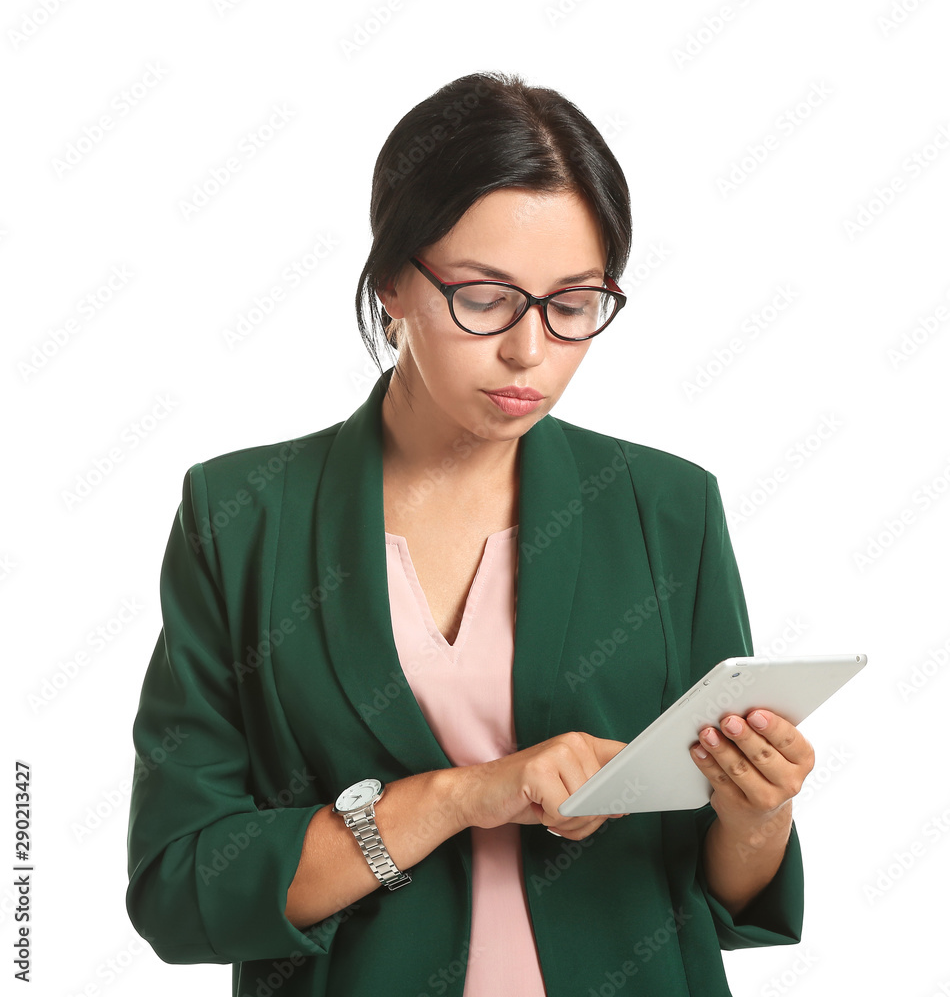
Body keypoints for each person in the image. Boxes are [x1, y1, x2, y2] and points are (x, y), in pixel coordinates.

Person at [125, 71, 814, 997]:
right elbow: (181, 885)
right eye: (486, 298)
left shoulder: (666, 508)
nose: (530, 350)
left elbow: (717, 891)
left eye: (572, 305)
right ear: (393, 284)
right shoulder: (241, 516)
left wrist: (758, 815)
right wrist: (462, 796)